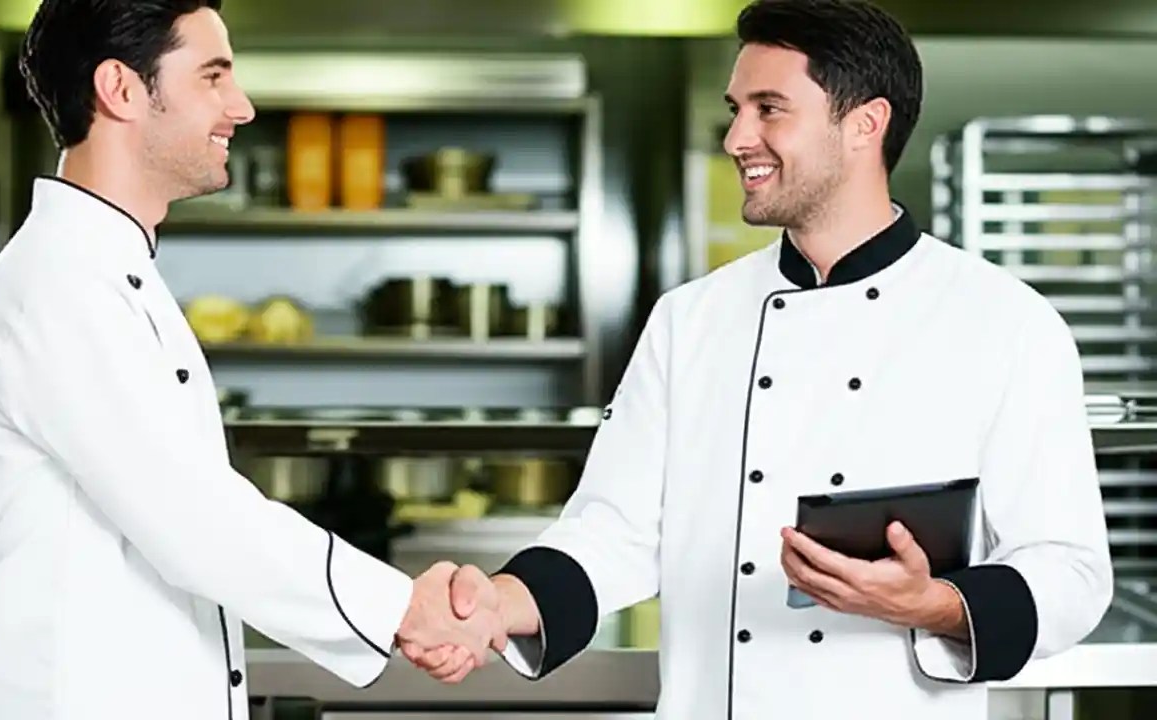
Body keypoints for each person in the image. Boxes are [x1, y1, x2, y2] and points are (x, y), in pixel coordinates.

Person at [401, 0, 1115, 718]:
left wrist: (935, 603)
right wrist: (499, 602)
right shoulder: (691, 319)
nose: (738, 137)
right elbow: (613, 533)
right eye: (736, 108)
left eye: (770, 109)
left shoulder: (1004, 322)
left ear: (866, 123)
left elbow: (1071, 572)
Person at [0, 2, 499, 718]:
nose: (240, 107)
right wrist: (402, 607)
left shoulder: (108, 271)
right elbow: (194, 518)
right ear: (122, 89)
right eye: (213, 77)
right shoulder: (59, 286)